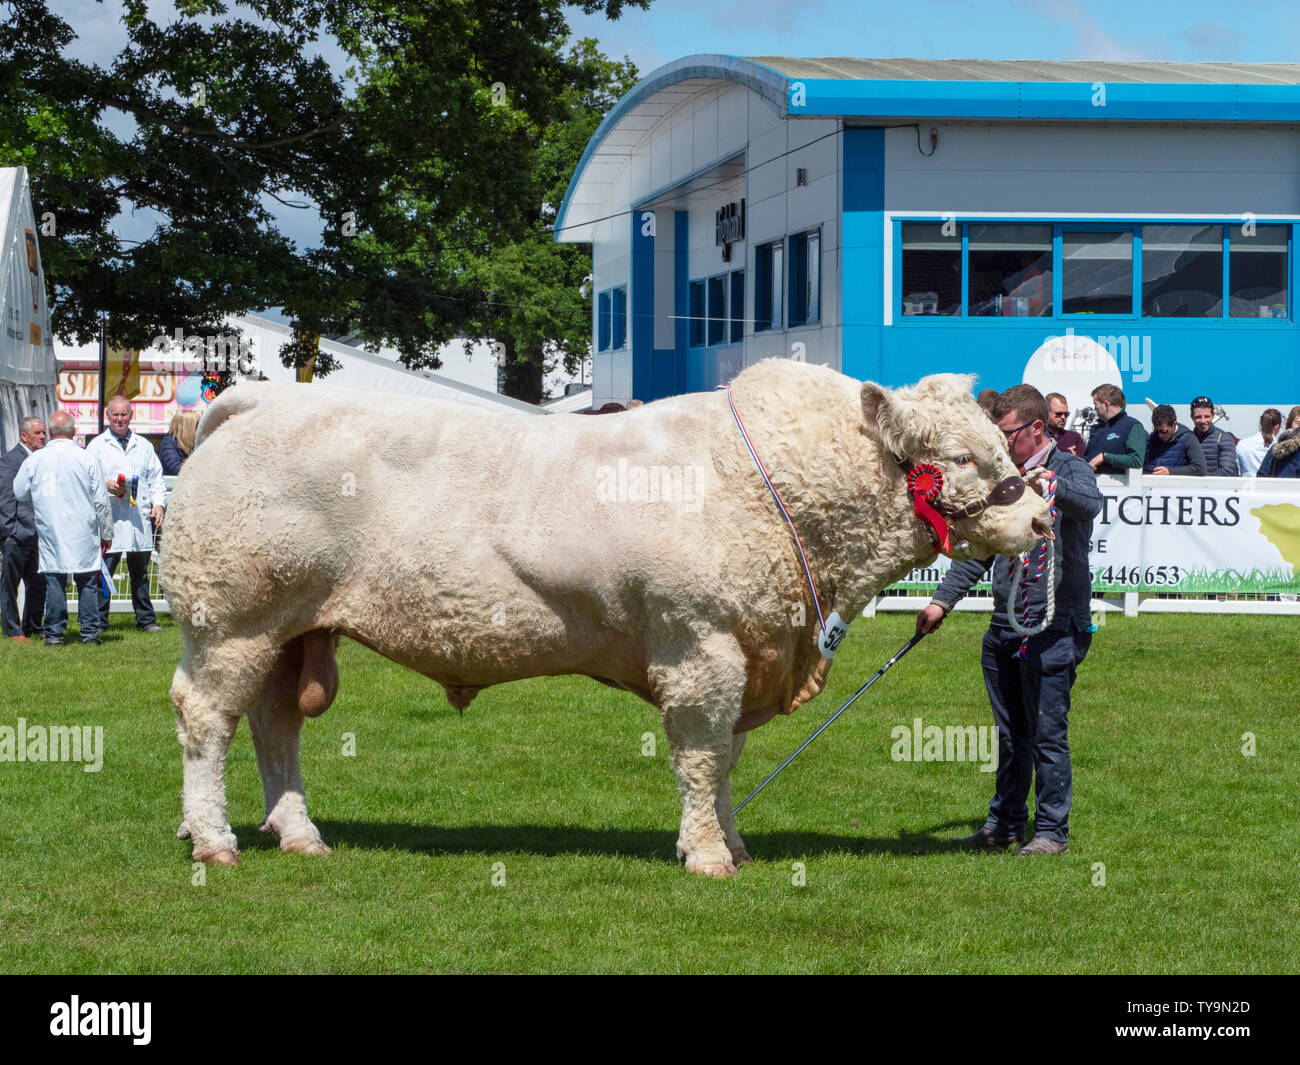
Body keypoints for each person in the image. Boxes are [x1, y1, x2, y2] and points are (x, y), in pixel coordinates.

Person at [917, 384, 1101, 856]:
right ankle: (1004, 824)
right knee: (1009, 733)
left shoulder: (1068, 468)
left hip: (1054, 626)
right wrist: (942, 602)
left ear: (1036, 428)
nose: (1002, 443)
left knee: (1046, 732)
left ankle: (1051, 832)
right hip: (1005, 624)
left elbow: (1089, 503)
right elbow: (980, 547)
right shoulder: (1005, 479)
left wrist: (1050, 490)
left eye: (1008, 433)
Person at [12, 410, 113, 645]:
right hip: (83, 530)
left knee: (54, 581)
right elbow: (101, 499)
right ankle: (90, 633)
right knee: (87, 582)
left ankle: (55, 634)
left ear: (49, 433)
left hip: (51, 529)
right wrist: (107, 531)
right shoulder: (86, 457)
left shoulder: (35, 459)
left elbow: (19, 492)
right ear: (74, 432)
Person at [86, 395, 166, 633]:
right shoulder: (97, 446)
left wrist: (158, 504)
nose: (120, 419)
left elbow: (156, 479)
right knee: (105, 571)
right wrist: (106, 484)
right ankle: (99, 620)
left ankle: (146, 620)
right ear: (107, 416)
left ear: (131, 416)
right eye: (115, 415)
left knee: (140, 573)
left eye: (124, 415)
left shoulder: (143, 446)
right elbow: (87, 480)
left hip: (137, 519)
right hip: (110, 517)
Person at [0, 416, 48, 641]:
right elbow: (6, 499)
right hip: (18, 533)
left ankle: (33, 626)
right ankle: (12, 629)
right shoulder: (11, 460)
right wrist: (9, 532)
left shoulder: (42, 458)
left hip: (39, 532)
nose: (42, 437)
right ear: (23, 436)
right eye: (37, 433)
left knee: (38, 583)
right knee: (11, 584)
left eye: (43, 433)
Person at [1084, 383, 1145, 476]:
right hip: (1090, 485)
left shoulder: (1132, 426)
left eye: (1095, 404)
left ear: (1106, 404)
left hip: (1118, 488)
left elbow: (1136, 460)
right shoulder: (1096, 428)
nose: (1094, 408)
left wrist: (1106, 457)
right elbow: (1089, 458)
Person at [1143, 404, 1206, 476]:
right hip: (1150, 485)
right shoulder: (1151, 439)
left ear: (1174, 424)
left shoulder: (1189, 439)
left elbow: (1200, 468)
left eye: (1164, 431)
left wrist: (1170, 472)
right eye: (1156, 431)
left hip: (1176, 486)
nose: (1160, 435)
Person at [1190, 396, 1236, 476]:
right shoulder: (1187, 438)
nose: (1203, 421)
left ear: (1213, 415)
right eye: (1198, 417)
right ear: (1192, 417)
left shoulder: (1224, 439)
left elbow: (1226, 471)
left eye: (1207, 416)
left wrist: (1200, 479)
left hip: (1218, 487)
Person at [1237, 409, 1283, 475]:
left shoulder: (1242, 445)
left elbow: (1237, 472)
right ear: (1277, 427)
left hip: (1247, 484)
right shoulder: (1281, 449)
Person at [1044, 392, 1086, 456]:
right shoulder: (1037, 437)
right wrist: (1066, 454)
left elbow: (1081, 462)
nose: (1063, 417)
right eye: (1059, 414)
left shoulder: (1075, 438)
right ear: (1047, 413)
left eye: (1066, 414)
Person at [160, 409, 200, 474]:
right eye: (197, 424)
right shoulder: (168, 443)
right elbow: (176, 469)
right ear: (188, 428)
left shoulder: (193, 443)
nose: (199, 427)